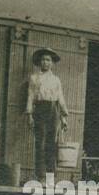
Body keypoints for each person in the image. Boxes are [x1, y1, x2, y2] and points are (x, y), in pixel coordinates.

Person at [26, 48, 68, 177]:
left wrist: (63, 117)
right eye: (43, 59)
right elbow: (30, 96)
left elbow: (60, 97)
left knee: (52, 143)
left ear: (52, 63)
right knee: (41, 143)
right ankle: (41, 175)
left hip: (53, 110)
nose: (45, 62)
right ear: (40, 62)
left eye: (48, 60)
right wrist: (29, 115)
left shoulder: (56, 79)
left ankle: (51, 176)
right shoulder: (34, 78)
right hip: (40, 109)